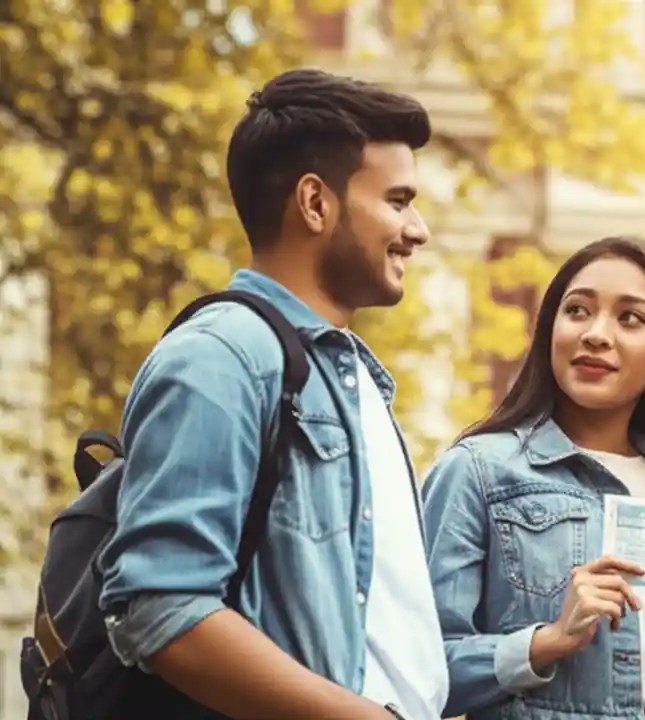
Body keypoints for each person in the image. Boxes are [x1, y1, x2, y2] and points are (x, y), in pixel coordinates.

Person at [97, 68, 446, 719]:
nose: (418, 229)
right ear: (316, 203)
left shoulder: (353, 380)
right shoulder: (223, 357)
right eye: (398, 201)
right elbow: (163, 607)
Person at [421, 236, 645, 720]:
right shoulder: (478, 472)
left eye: (630, 318)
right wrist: (547, 642)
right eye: (577, 311)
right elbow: (421, 669)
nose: (595, 333)